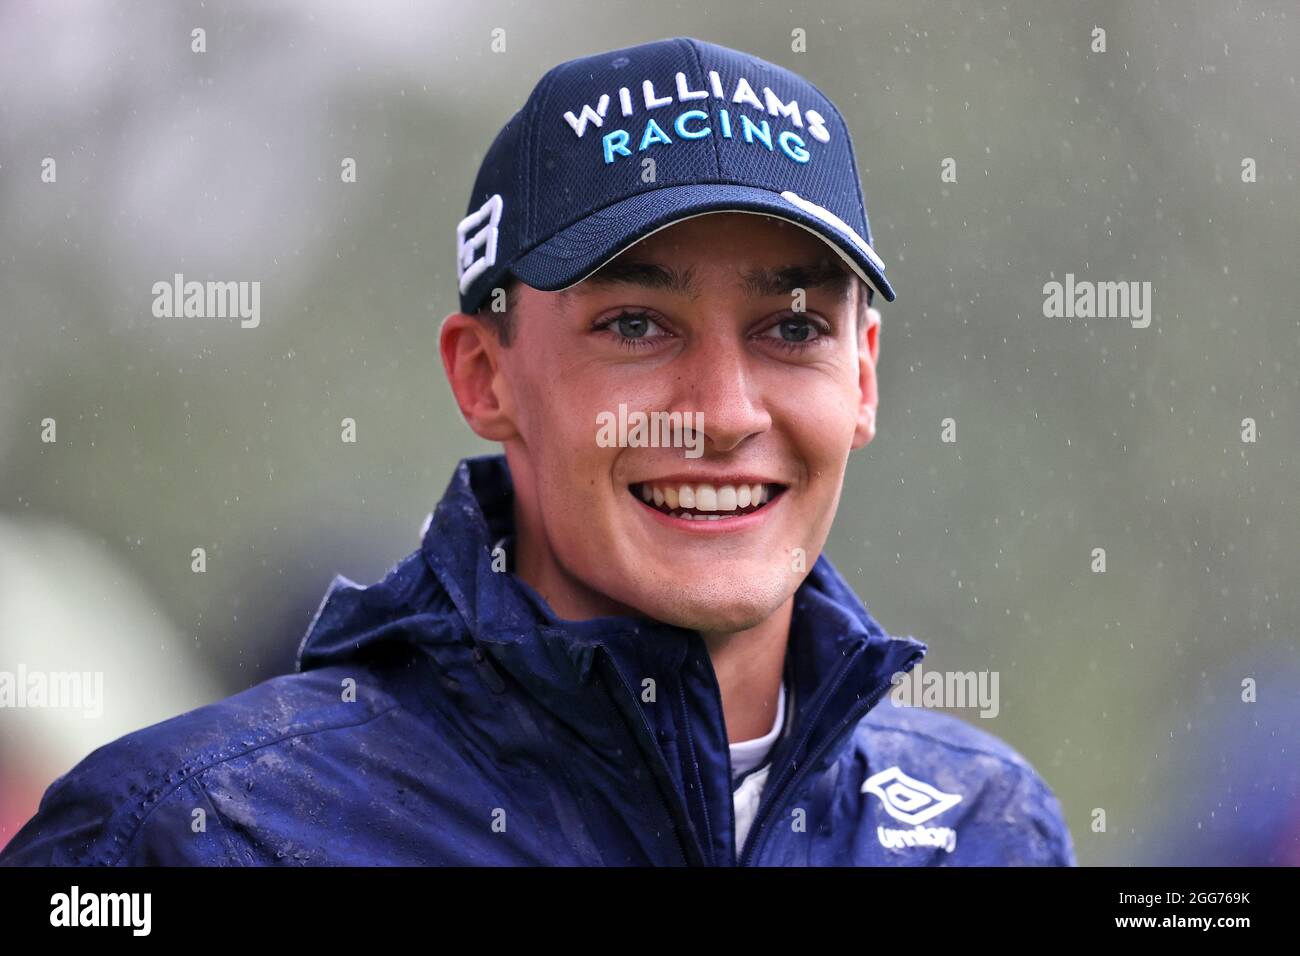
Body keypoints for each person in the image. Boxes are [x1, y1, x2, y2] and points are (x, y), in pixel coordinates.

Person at [0, 37, 1075, 866]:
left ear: (863, 378)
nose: (721, 412)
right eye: (637, 326)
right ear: (485, 376)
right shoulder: (194, 833)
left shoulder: (986, 827)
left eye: (791, 329)